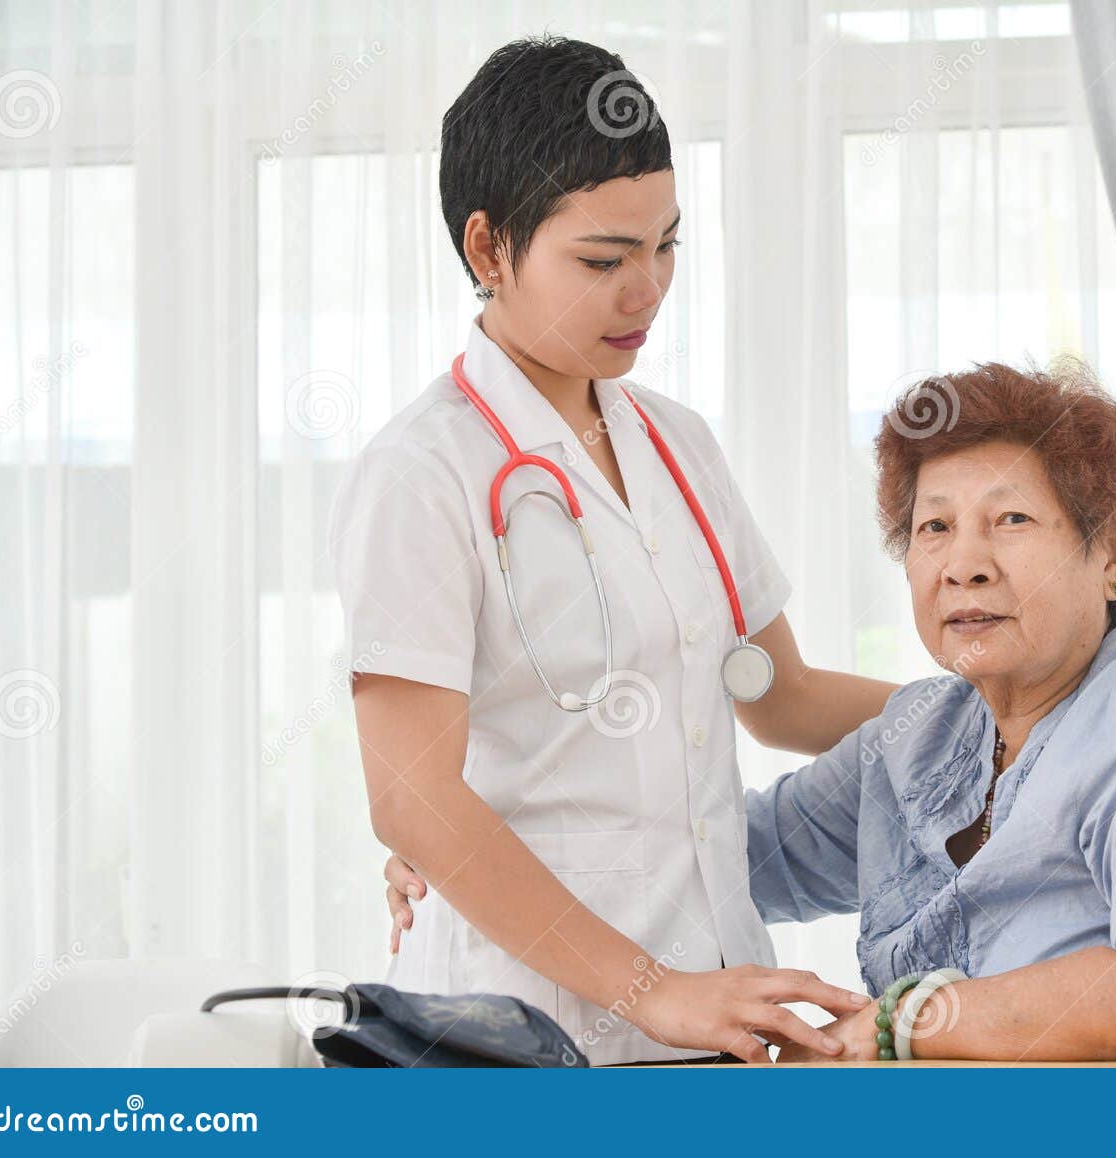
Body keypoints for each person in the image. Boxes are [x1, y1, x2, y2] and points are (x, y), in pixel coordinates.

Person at [391, 359, 1116, 1065]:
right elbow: (710, 852)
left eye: (1011, 521)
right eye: (933, 528)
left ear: (1112, 554)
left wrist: (897, 1025)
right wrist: (470, 840)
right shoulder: (920, 739)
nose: (963, 561)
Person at [330, 34, 895, 1066]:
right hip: (521, 1037)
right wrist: (652, 991)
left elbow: (776, 692)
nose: (648, 291)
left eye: (666, 245)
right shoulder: (422, 473)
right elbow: (413, 795)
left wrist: (1002, 712)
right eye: (603, 260)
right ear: (488, 249)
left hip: (713, 1020)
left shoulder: (678, 445)